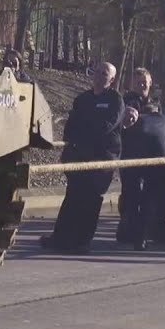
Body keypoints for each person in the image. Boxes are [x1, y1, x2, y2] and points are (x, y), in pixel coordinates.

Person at [40, 62, 124, 253]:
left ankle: (82, 241)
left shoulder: (115, 100)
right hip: (79, 155)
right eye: (97, 72)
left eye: (104, 74)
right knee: (72, 196)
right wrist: (69, 150)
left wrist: (84, 132)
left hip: (102, 158)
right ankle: (60, 238)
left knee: (91, 199)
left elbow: (106, 126)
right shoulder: (83, 99)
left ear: (112, 79)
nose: (99, 76)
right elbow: (71, 127)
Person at [119, 102, 165, 250]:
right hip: (159, 160)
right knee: (152, 200)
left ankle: (132, 233)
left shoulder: (139, 120)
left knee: (132, 199)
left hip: (135, 159)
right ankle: (152, 234)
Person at [117, 68, 155, 244]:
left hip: (152, 154)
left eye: (145, 82)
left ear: (150, 83)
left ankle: (143, 231)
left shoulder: (155, 103)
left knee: (148, 195)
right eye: (138, 83)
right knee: (130, 194)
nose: (142, 85)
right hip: (131, 153)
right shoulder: (125, 102)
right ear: (132, 84)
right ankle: (127, 230)